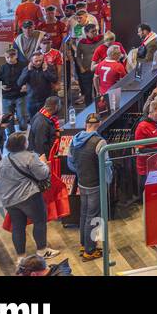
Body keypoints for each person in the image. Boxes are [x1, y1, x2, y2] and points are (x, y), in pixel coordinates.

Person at [0, 131, 57, 263]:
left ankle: (21, 257)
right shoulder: (30, 157)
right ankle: (42, 250)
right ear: (24, 143)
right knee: (40, 221)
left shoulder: (4, 160)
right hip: (29, 196)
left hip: (9, 200)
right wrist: (43, 163)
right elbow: (42, 174)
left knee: (18, 227)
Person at [68, 112, 106, 261]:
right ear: (99, 125)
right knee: (93, 216)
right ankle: (90, 251)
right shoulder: (99, 142)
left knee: (84, 214)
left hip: (82, 182)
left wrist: (80, 171)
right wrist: (107, 180)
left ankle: (84, 245)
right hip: (95, 183)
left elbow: (70, 162)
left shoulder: (74, 139)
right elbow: (105, 167)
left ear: (86, 125)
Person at [17, 50, 58, 123]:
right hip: (32, 100)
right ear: (31, 61)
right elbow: (20, 83)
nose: (38, 62)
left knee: (47, 121)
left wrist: (45, 71)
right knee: (34, 122)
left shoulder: (48, 67)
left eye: (40, 60)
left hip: (45, 101)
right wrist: (28, 71)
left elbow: (54, 79)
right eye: (36, 61)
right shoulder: (27, 69)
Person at [0, 46, 28, 130]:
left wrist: (26, 85)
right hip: (7, 96)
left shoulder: (24, 65)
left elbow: (29, 77)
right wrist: (1, 86)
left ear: (16, 56)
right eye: (7, 57)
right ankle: (10, 136)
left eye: (12, 57)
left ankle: (23, 134)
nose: (10, 59)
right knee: (8, 118)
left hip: (20, 94)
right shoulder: (2, 68)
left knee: (22, 116)